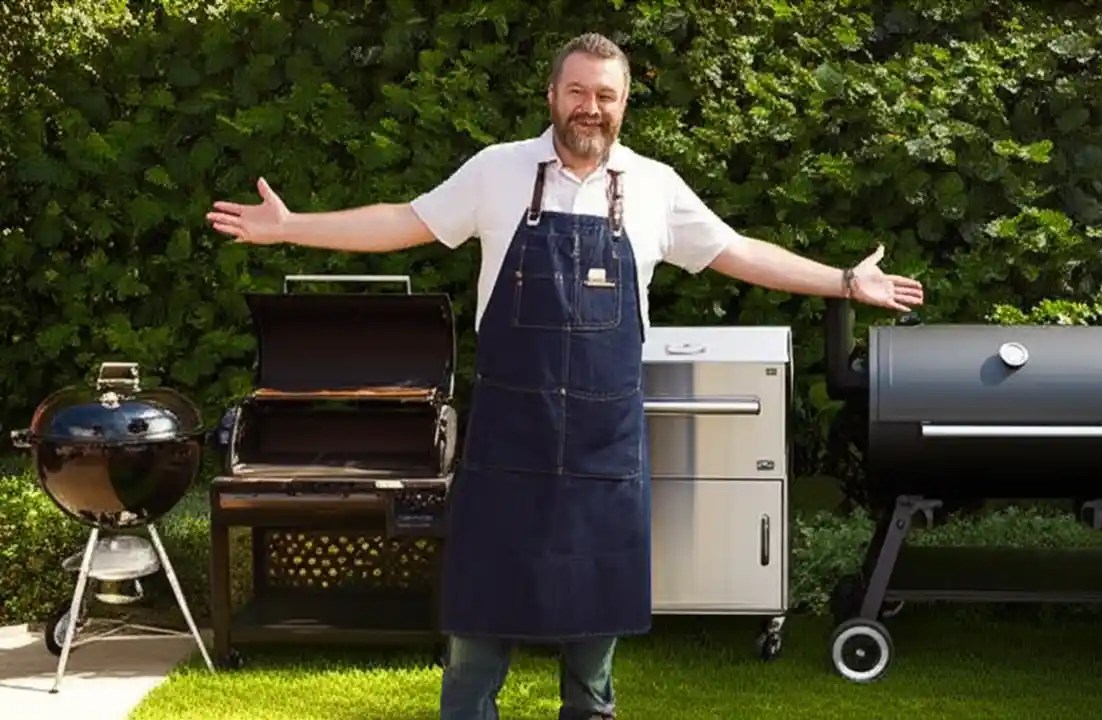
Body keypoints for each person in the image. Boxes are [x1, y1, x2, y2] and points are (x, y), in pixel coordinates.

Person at [206, 31, 924, 720]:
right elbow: (402, 220)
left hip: (601, 453)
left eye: (605, 95)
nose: (591, 107)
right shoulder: (497, 171)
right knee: (478, 626)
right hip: (508, 447)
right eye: (577, 91)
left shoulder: (653, 187)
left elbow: (738, 252)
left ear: (624, 105)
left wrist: (842, 282)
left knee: (594, 628)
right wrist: (291, 226)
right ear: (552, 95)